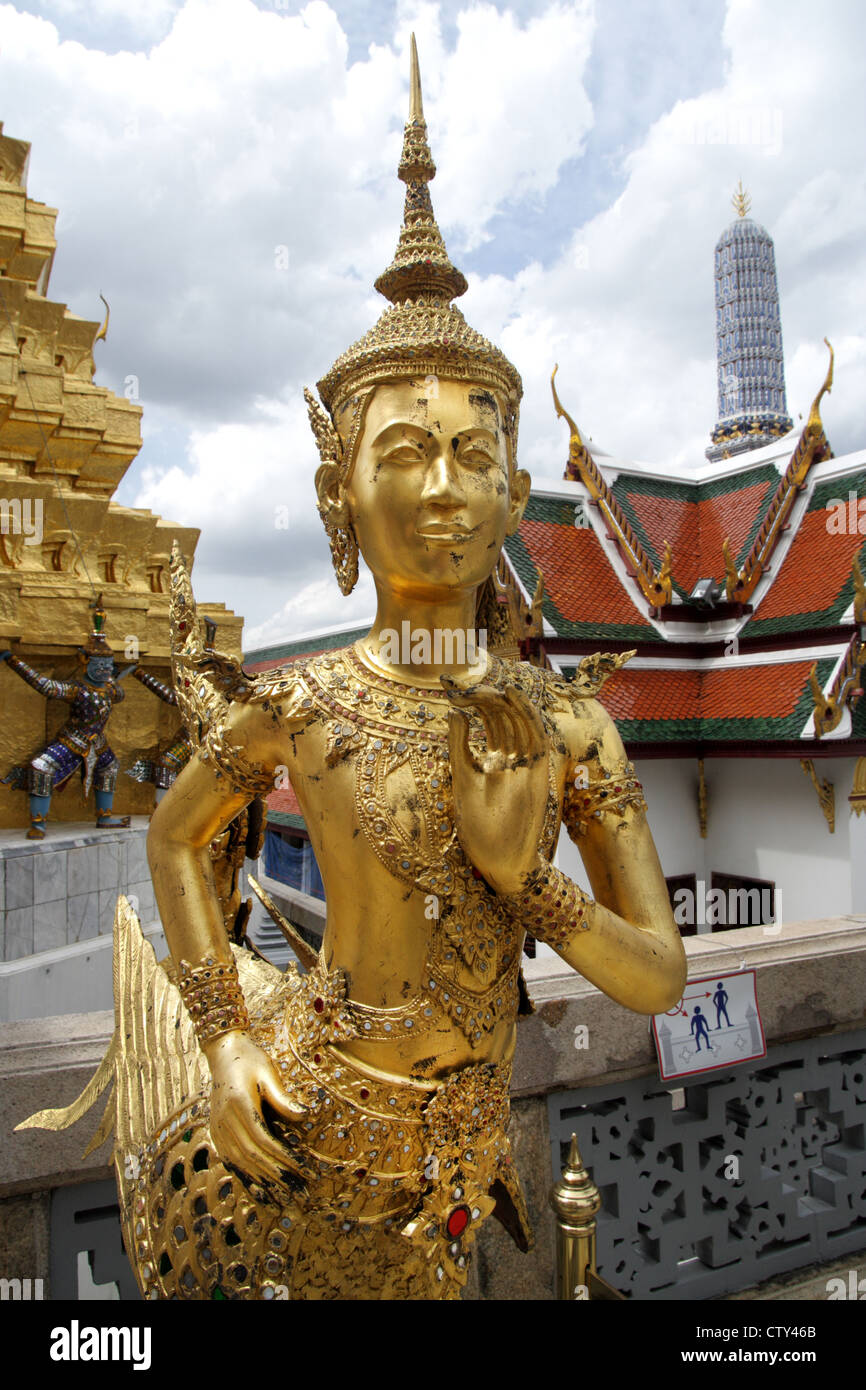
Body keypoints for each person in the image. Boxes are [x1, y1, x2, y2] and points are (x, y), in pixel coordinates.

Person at [21, 40, 686, 1300]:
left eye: (468, 452)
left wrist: (524, 885)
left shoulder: (567, 726)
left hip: (461, 1161)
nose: (441, 487)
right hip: (305, 1127)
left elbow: (656, 977)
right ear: (338, 492)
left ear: (513, 487)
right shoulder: (299, 703)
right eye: (400, 451)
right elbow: (172, 843)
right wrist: (221, 1046)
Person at [0, 596, 135, 837]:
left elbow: (121, 694)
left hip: (98, 742)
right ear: (86, 663)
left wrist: (114, 676)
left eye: (108, 663)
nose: (104, 668)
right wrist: (14, 661)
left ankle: (104, 816)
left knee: (110, 767)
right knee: (41, 768)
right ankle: (38, 823)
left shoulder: (110, 688)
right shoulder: (77, 689)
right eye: (99, 663)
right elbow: (45, 686)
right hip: (72, 739)